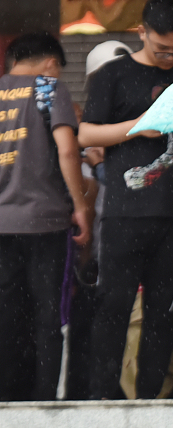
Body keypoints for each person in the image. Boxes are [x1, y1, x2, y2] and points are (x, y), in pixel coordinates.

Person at [80, 0, 173, 400]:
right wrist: (139, 125)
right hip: (125, 211)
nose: (171, 56)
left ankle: (151, 396)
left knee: (163, 312)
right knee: (113, 305)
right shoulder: (113, 75)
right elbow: (86, 134)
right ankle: (103, 397)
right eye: (163, 49)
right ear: (142, 32)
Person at [0, 32, 91, 401]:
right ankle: (42, 398)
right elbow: (68, 151)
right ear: (52, 63)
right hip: (46, 221)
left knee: (8, 314)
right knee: (47, 313)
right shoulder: (50, 89)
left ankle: (8, 396)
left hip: (2, 226)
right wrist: (80, 205)